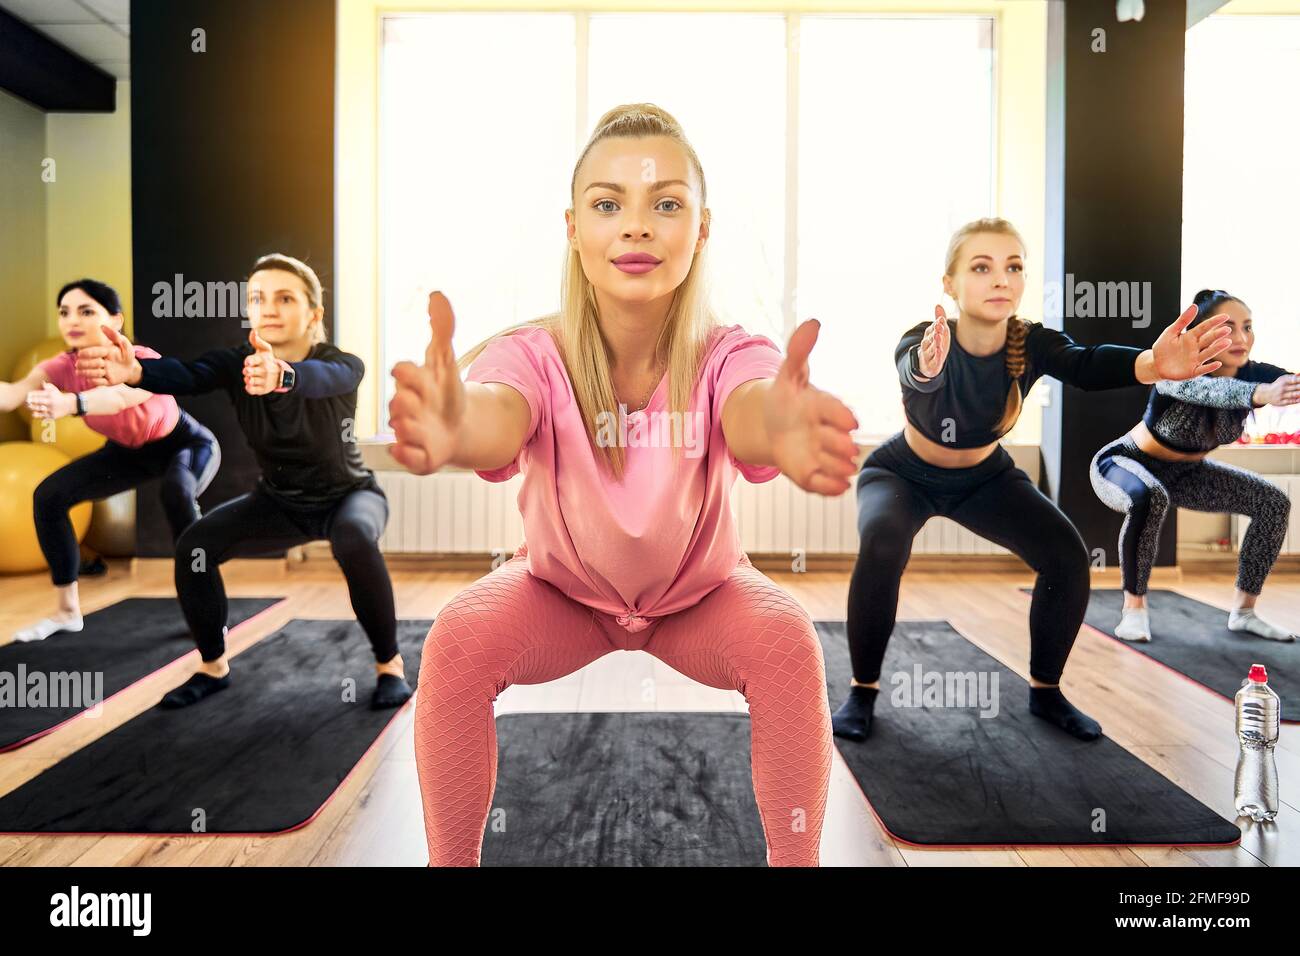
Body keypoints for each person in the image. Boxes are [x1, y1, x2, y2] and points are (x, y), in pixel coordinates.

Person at [388, 103, 860, 866]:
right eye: (608, 205)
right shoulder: (531, 353)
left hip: (698, 599)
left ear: (701, 230)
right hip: (561, 596)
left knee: (788, 643)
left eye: (666, 204)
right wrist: (454, 424)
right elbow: (497, 418)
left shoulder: (730, 351)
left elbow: (750, 412)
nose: (636, 227)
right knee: (458, 640)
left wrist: (781, 422)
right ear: (573, 227)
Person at [833, 217, 1234, 743]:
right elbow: (915, 369)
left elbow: (1086, 365)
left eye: (1013, 267)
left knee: (1067, 557)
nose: (1001, 279)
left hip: (984, 477)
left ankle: (1047, 692)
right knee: (883, 544)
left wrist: (1152, 364)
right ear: (950, 284)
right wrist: (927, 367)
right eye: (982, 267)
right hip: (902, 474)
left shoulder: (1033, 343)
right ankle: (862, 690)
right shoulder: (925, 339)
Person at [75, 254, 412, 710]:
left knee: (353, 538)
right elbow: (188, 375)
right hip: (278, 502)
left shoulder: (342, 363)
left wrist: (282, 375)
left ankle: (389, 664)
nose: (268, 308)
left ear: (313, 314)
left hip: (349, 496)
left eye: (285, 298)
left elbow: (324, 378)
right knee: (194, 548)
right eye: (257, 298)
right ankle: (213, 665)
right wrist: (136, 372)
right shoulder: (238, 364)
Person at [0, 278, 219, 643]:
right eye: (64, 312)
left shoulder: (143, 361)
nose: (73, 320)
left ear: (115, 320)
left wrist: (71, 404)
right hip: (126, 453)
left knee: (177, 496)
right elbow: (13, 396)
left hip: (184, 445)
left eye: (86, 311)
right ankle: (67, 612)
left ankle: (207, 612)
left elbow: (120, 398)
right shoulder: (62, 365)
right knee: (48, 497)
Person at [1090, 288, 1298, 642]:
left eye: (1247, 327)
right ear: (1200, 333)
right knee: (1149, 497)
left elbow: (1289, 383)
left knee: (1273, 502)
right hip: (1125, 462)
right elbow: (1212, 393)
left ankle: (1245, 612)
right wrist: (1261, 395)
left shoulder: (1256, 373)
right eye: (1227, 327)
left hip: (1187, 474)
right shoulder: (1174, 370)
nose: (1240, 337)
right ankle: (1133, 610)